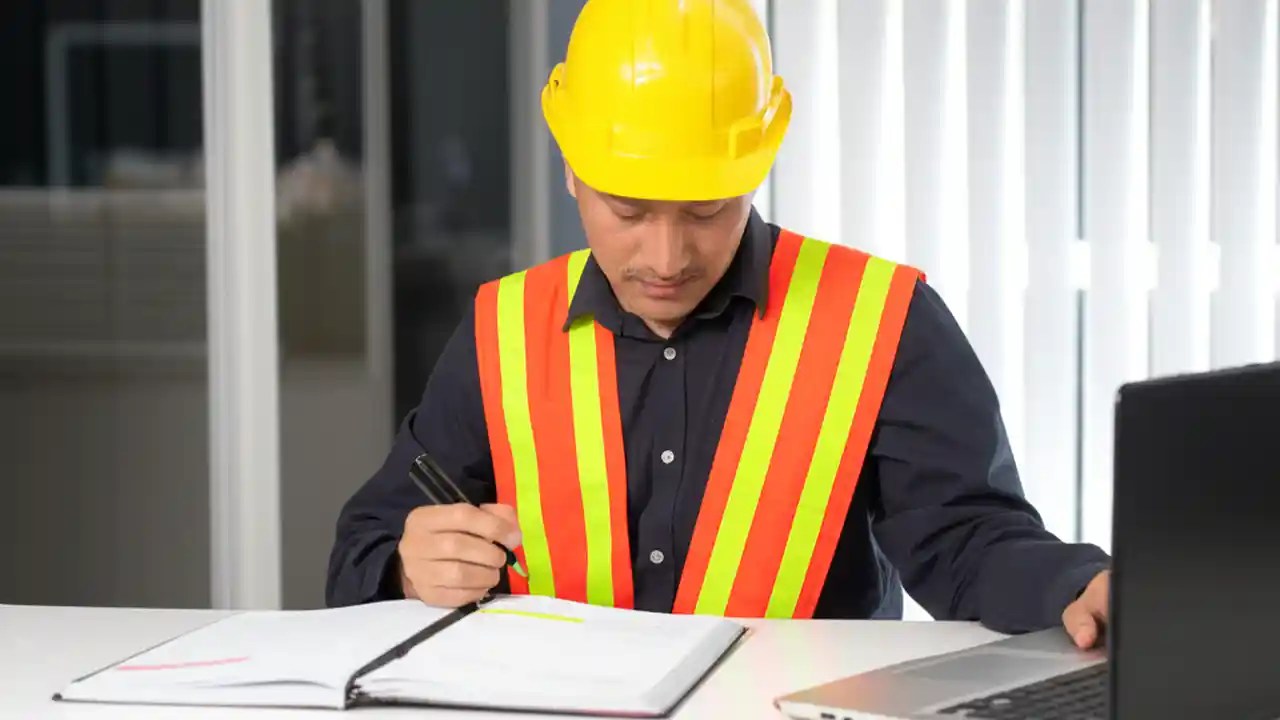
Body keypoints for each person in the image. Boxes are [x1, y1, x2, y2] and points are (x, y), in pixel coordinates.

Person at [326, 0, 1112, 648]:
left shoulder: (886, 322)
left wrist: (1074, 585)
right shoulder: (502, 330)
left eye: (708, 209)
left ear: (757, 168)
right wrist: (406, 564)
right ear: (571, 167)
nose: (666, 257)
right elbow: (366, 543)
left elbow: (967, 540)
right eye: (629, 211)